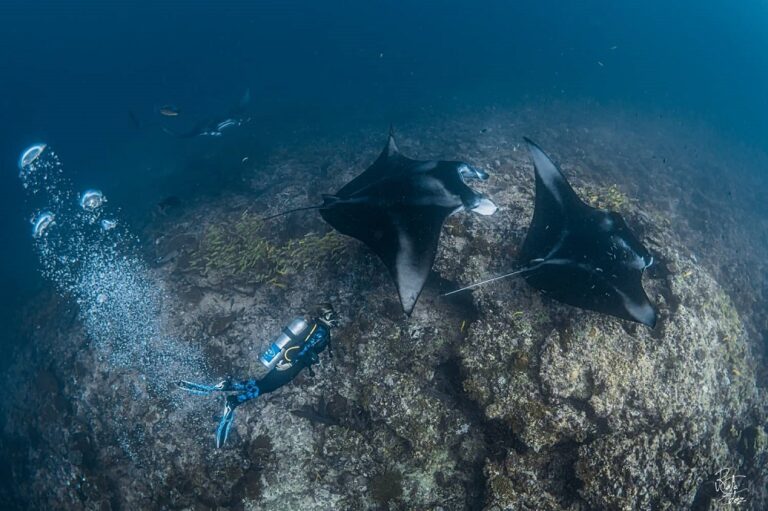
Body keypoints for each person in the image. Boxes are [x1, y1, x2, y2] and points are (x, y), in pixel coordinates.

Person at [178, 303, 338, 447]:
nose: (335, 318)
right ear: (324, 315)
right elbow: (302, 346)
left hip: (289, 364)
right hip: (288, 366)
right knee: (264, 387)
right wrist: (289, 361)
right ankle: (232, 400)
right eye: (331, 315)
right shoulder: (320, 330)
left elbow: (304, 346)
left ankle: (227, 388)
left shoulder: (320, 329)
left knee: (262, 386)